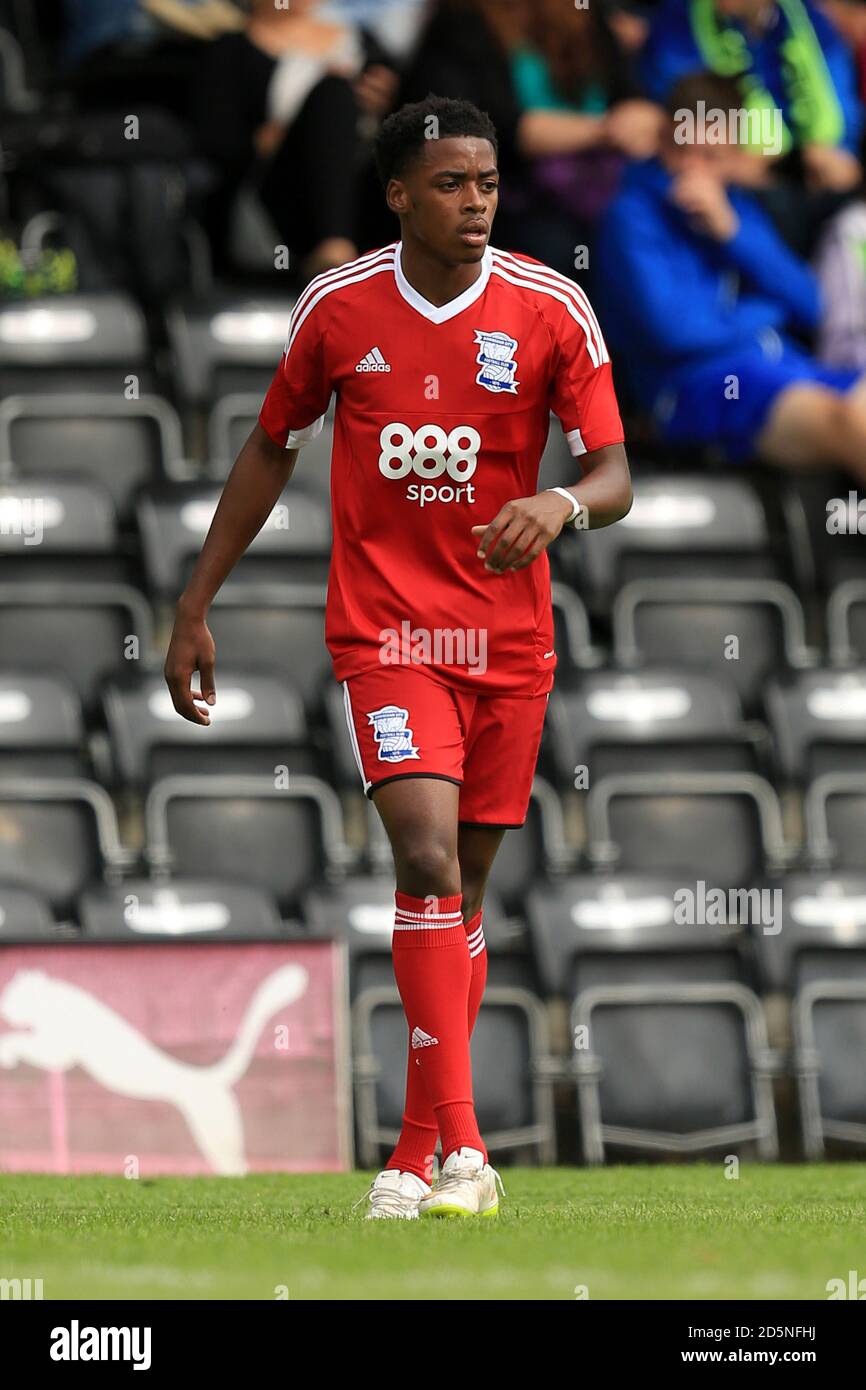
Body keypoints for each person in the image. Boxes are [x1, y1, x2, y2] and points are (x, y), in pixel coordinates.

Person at [163, 95, 632, 1220]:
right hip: (388, 636)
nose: (475, 203)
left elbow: (615, 474)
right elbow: (271, 445)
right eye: (449, 185)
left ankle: (410, 1154)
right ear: (397, 197)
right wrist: (193, 600)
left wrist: (558, 503)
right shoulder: (337, 308)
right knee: (421, 856)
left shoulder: (549, 307)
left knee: (458, 899)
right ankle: (468, 1149)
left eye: (485, 183)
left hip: (506, 642)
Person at [594, 73, 866, 476]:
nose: (691, 169)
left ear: (735, 155)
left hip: (788, 367)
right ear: (662, 140)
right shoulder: (630, 217)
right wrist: (765, 313)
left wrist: (733, 234)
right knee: (850, 422)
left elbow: (811, 304)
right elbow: (675, 333)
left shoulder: (737, 210)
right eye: (681, 150)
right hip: (697, 389)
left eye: (709, 157)